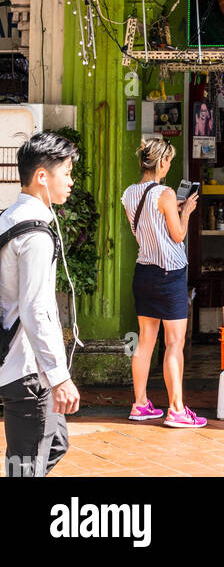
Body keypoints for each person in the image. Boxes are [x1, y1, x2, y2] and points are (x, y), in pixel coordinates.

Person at [0, 131, 81, 478]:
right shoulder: (34, 234)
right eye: (67, 173)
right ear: (42, 177)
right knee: (25, 467)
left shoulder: (9, 216)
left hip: (18, 365)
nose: (71, 182)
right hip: (28, 370)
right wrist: (59, 377)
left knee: (56, 442)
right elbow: (35, 309)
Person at [121, 138, 206, 429]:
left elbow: (148, 220)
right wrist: (185, 212)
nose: (169, 165)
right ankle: (176, 410)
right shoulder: (166, 193)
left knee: (145, 342)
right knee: (173, 344)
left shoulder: (129, 193)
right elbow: (178, 235)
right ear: (160, 163)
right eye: (167, 160)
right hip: (170, 275)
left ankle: (140, 403)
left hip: (144, 272)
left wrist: (173, 207)